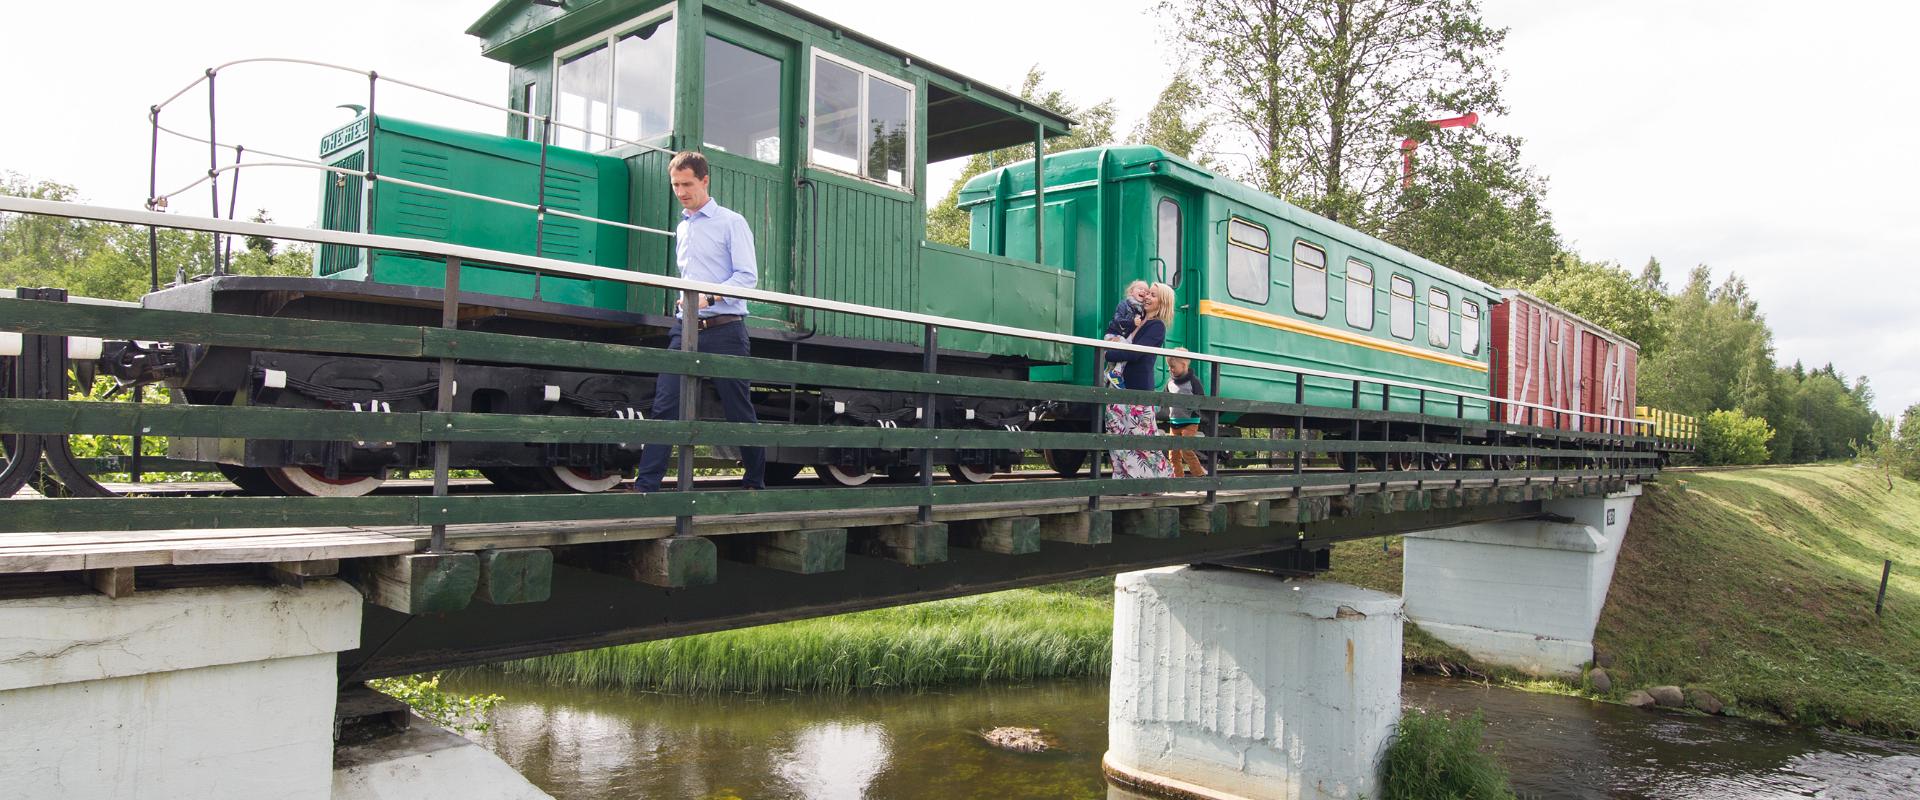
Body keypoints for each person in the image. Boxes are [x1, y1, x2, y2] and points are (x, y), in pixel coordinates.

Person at [632, 151, 766, 492]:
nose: (681, 191)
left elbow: (747, 277)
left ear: (705, 180)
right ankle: (646, 488)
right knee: (665, 406)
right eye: (675, 185)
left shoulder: (731, 222)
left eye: (687, 184)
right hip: (685, 327)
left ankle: (755, 482)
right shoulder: (683, 227)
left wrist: (709, 297)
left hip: (725, 329)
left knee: (737, 409)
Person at [1103, 282, 1175, 482]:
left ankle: (1154, 482)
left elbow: (1135, 353)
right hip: (1119, 385)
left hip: (1138, 388)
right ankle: (1123, 480)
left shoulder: (1157, 326)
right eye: (1148, 293)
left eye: (1153, 295)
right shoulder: (1136, 320)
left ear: (1162, 303)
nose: (1147, 297)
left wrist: (1108, 353)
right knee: (1116, 433)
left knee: (1142, 439)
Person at [1164, 349, 1208, 478]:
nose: (1170, 369)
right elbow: (1163, 397)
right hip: (1174, 422)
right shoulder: (1170, 382)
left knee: (1186, 449)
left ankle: (1199, 475)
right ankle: (1178, 477)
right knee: (1173, 454)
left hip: (1190, 422)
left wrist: (1192, 407)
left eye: (1172, 366)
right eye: (1169, 366)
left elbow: (1201, 398)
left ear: (1183, 365)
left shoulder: (1193, 381)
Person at [1103, 280, 1151, 388]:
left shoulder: (1142, 311)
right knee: (1127, 350)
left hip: (1123, 338)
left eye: (1146, 291)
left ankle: (1105, 378)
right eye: (1140, 288)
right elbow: (1117, 319)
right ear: (1131, 292)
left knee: (1113, 363)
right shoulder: (1124, 304)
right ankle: (1116, 374)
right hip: (1114, 335)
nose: (1143, 291)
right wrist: (1132, 322)